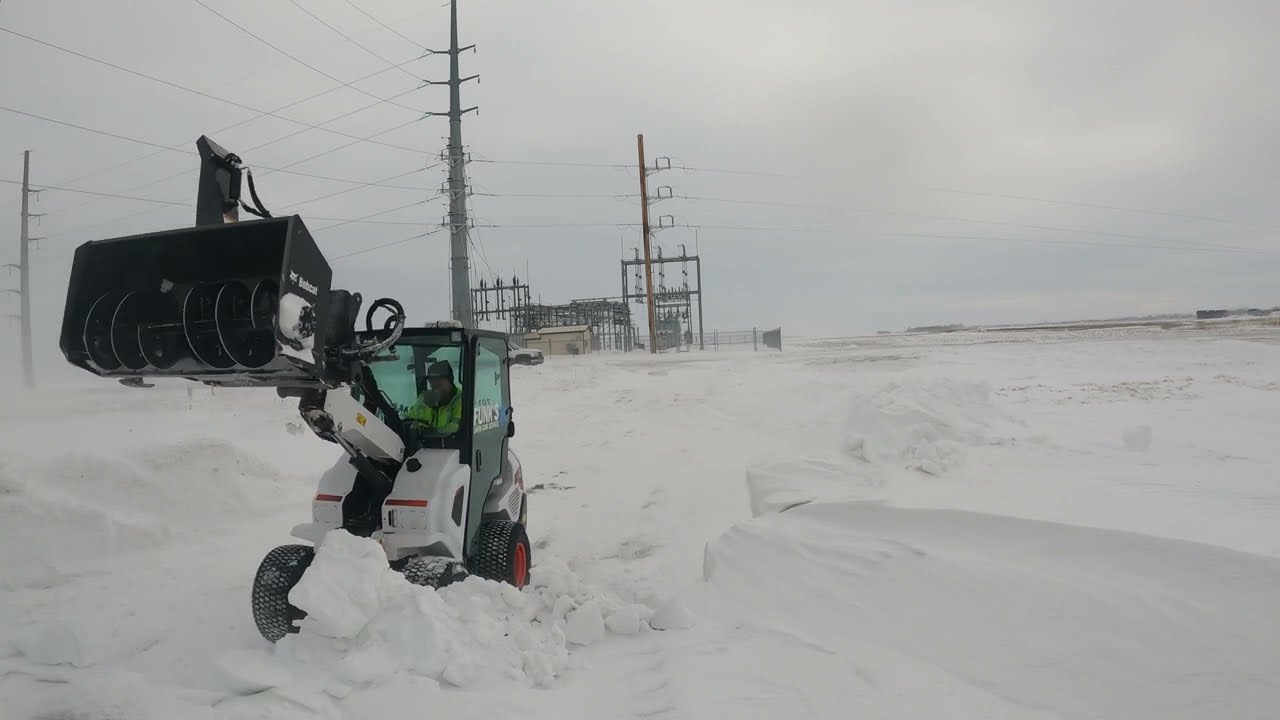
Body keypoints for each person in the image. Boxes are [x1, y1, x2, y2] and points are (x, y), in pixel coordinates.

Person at [406, 360, 462, 434]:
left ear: (450, 381)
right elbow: (410, 418)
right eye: (433, 385)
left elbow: (456, 430)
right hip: (423, 444)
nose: (436, 390)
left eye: (439, 384)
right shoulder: (424, 398)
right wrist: (413, 424)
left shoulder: (461, 400)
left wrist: (429, 431)